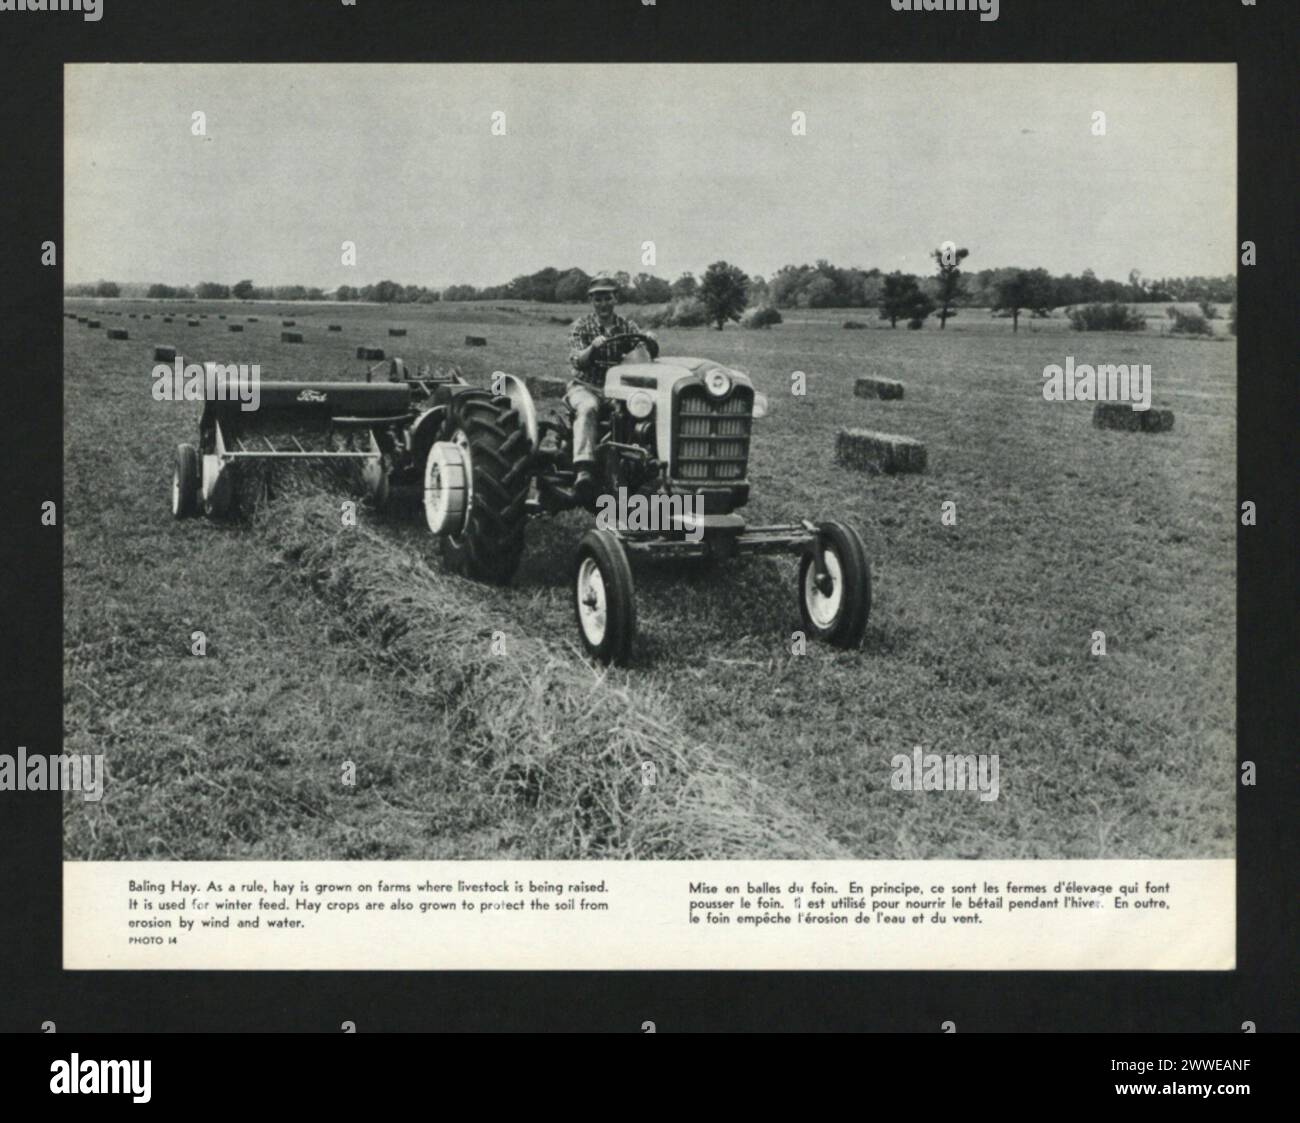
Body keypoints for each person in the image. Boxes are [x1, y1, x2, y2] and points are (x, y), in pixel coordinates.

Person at [566, 273, 655, 501]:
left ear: (615, 299)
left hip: (617, 390)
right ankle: (584, 468)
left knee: (642, 412)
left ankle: (641, 467)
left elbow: (643, 352)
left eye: (607, 298)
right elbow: (577, 360)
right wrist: (592, 349)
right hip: (586, 386)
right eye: (598, 299)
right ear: (591, 301)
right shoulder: (582, 326)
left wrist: (649, 340)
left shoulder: (626, 325)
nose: (603, 304)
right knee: (588, 408)